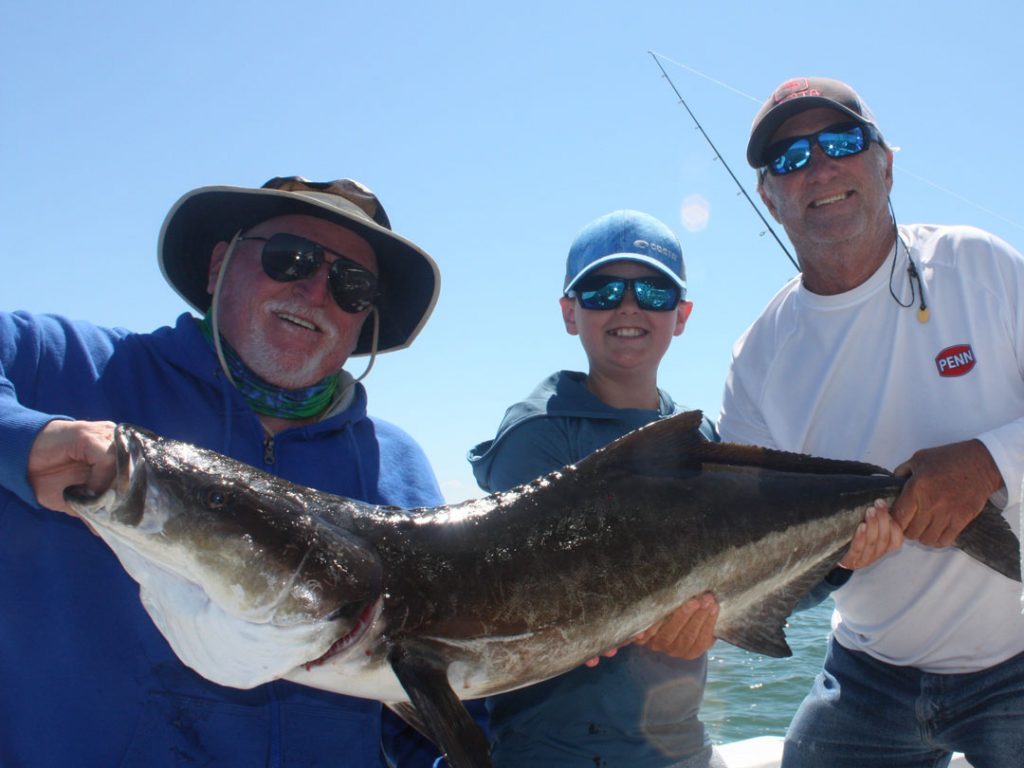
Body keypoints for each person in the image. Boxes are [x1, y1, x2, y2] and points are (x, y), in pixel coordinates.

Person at [0, 176, 458, 766]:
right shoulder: (62, 366)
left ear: (364, 318)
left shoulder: (398, 468)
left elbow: (431, 705)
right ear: (219, 265)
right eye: (289, 258)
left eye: (352, 285)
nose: (317, 290)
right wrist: (23, 440)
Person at [720, 77, 1024, 767]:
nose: (820, 167)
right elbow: (751, 551)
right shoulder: (757, 358)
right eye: (791, 158)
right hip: (868, 670)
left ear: (885, 161)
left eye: (842, 142)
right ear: (770, 197)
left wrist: (986, 463)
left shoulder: (981, 266)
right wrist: (831, 564)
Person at [468, 210, 726, 768]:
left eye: (654, 291)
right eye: (603, 289)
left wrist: (847, 556)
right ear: (570, 312)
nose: (628, 306)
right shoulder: (536, 434)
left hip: (679, 750)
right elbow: (543, 604)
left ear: (681, 316)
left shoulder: (698, 435)